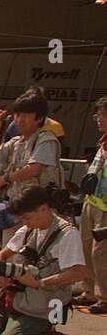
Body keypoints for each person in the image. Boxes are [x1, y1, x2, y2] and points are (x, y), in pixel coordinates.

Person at [0, 187, 89, 335]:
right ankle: (12, 326)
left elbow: (79, 272)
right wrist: (1, 275)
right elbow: (2, 255)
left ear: (43, 208)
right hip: (14, 297)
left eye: (27, 217)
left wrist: (39, 283)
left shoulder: (67, 235)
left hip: (41, 308)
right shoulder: (28, 229)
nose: (25, 222)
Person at [75, 97, 107, 314]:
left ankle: (105, 297)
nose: (98, 119)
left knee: (100, 253)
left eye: (101, 114)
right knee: (85, 247)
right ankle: (88, 291)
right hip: (91, 202)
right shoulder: (103, 142)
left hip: (105, 207)